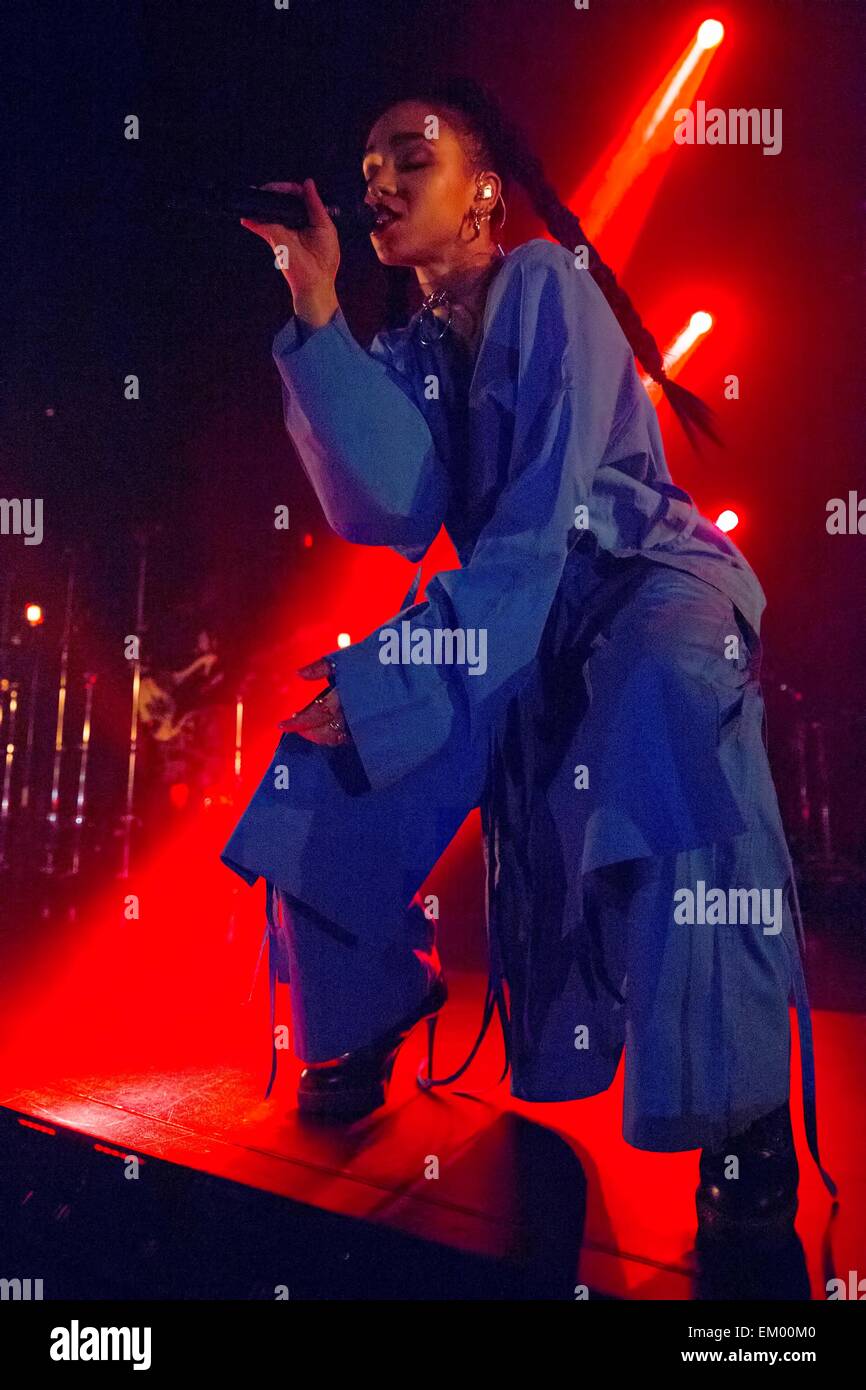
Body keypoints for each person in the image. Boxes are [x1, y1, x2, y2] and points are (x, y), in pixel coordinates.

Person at [224, 77, 836, 1242]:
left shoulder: (548, 284)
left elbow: (544, 525)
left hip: (642, 587)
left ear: (484, 193)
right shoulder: (407, 345)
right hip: (519, 610)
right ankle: (366, 1006)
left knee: (656, 717)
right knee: (321, 758)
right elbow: (388, 507)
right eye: (366, 173)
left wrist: (404, 673)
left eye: (411, 157)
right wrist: (316, 310)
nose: (379, 185)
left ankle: (741, 1111)